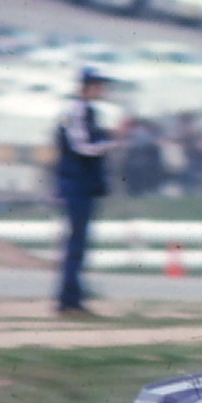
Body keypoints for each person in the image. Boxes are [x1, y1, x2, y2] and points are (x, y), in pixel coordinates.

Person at [54, 67, 122, 318]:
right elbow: (82, 146)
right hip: (77, 185)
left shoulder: (87, 112)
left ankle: (73, 297)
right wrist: (111, 142)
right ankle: (68, 300)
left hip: (82, 185)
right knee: (75, 244)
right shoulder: (78, 111)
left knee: (78, 244)